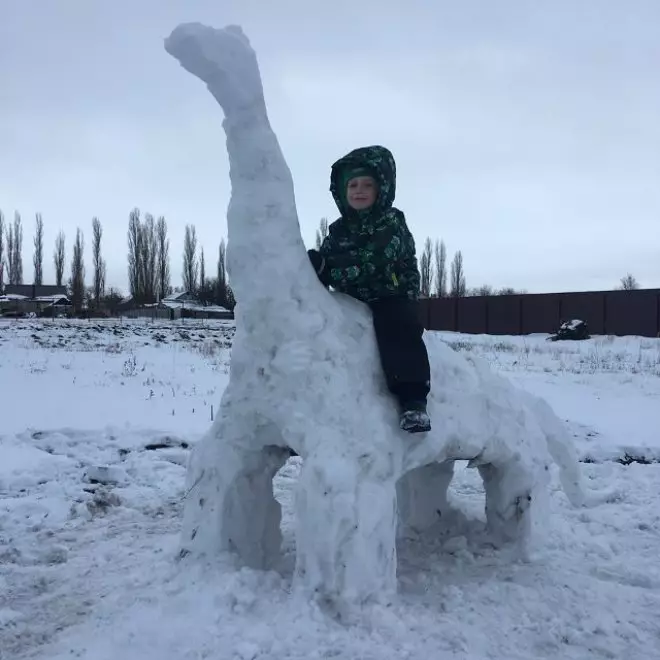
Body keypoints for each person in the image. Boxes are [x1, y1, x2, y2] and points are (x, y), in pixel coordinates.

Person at [307, 145, 431, 433]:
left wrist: (332, 269)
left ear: (382, 189)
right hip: (353, 298)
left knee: (398, 327)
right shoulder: (338, 230)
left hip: (392, 294)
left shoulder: (391, 222)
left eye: (367, 184)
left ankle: (413, 400)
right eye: (352, 184)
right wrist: (314, 266)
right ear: (342, 191)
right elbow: (328, 259)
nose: (359, 190)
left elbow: (374, 260)